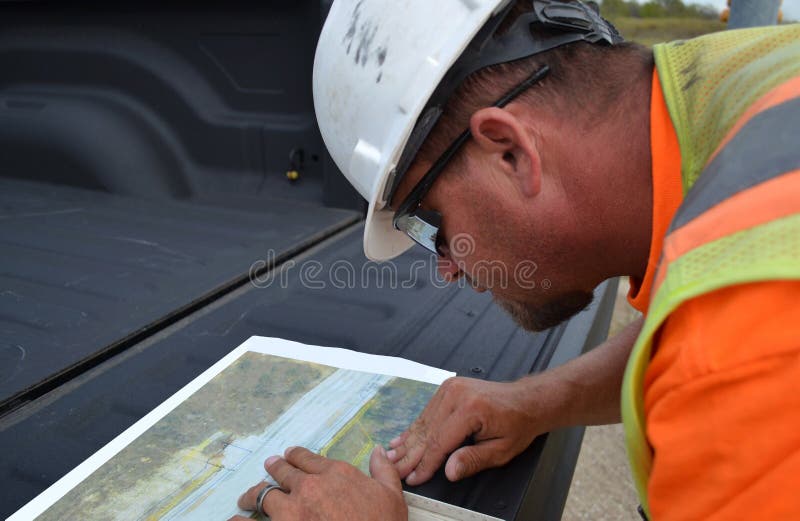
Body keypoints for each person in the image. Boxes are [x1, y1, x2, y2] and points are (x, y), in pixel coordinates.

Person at [229, 0, 800, 519]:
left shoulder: (743, 340)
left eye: (430, 225)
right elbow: (674, 334)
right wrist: (536, 401)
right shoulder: (729, 79)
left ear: (510, 152)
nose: (445, 267)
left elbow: (716, 345)